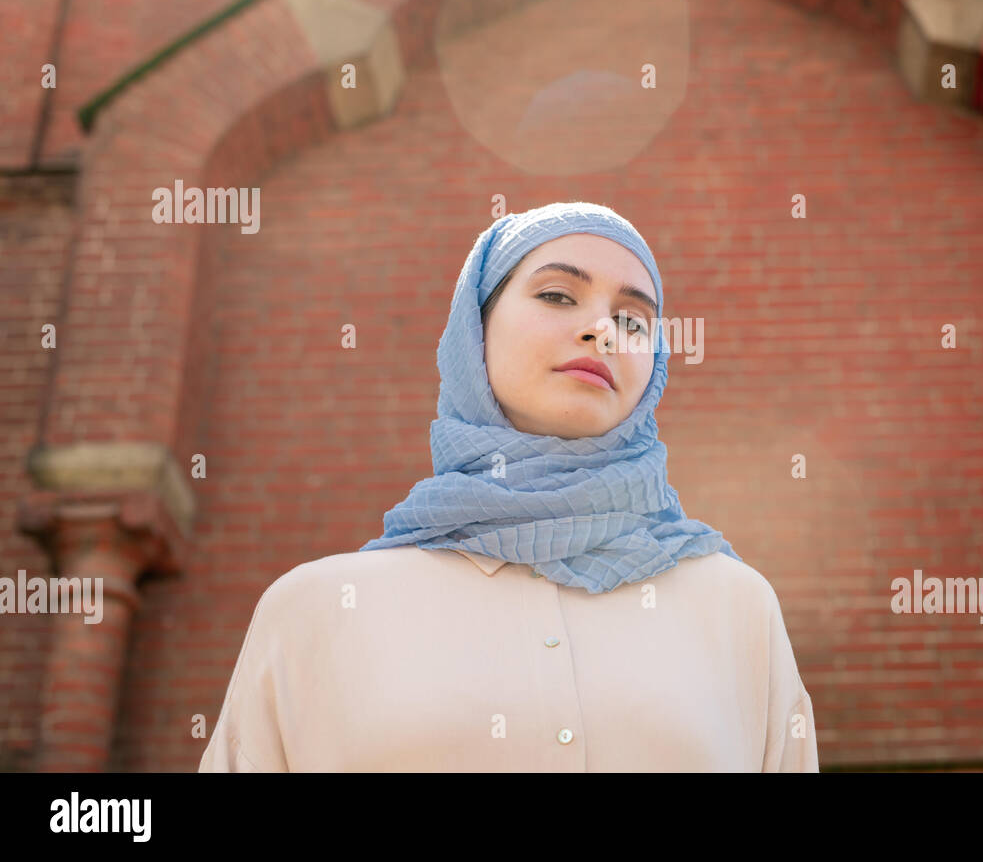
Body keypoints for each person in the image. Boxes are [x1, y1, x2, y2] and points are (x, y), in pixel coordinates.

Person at [198, 201, 817, 772]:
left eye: (632, 320)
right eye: (556, 294)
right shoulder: (317, 609)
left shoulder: (735, 606)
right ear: (475, 330)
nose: (602, 329)